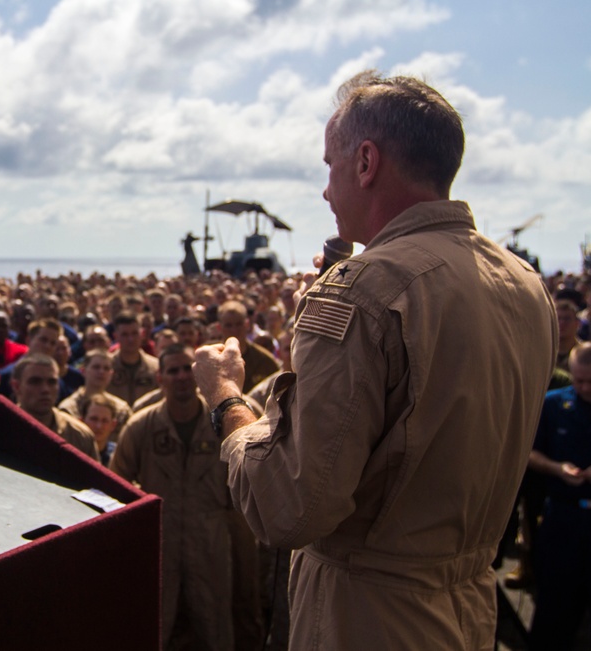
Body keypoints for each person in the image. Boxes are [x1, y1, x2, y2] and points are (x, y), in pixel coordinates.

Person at [193, 71, 557, 649]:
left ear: (366, 162)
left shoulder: (363, 289)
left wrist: (225, 400)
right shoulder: (522, 282)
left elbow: (289, 506)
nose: (325, 189)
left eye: (329, 165)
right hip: (466, 611)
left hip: (367, 618)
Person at [110, 344, 238, 648]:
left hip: (212, 541)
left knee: (217, 625)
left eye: (186, 369)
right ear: (160, 378)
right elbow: (115, 485)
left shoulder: (221, 423)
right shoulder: (141, 427)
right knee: (156, 624)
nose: (181, 376)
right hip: (160, 543)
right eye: (172, 370)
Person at [527, 342, 591, 650]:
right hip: (562, 518)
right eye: (579, 381)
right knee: (553, 606)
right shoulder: (553, 404)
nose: (585, 388)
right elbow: (530, 453)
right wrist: (556, 468)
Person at [11, 354, 98, 462]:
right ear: (16, 386)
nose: (45, 389)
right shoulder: (1, 430)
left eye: (52, 382)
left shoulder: (79, 435)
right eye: (35, 382)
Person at [58, 349, 131, 435]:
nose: (101, 372)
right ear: (83, 371)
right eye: (96, 367)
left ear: (111, 374)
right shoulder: (68, 409)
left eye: (106, 368)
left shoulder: (121, 410)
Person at [107, 312, 159, 406]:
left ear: (142, 334)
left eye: (134, 333)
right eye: (125, 335)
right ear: (116, 336)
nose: (131, 339)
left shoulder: (155, 367)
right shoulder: (105, 367)